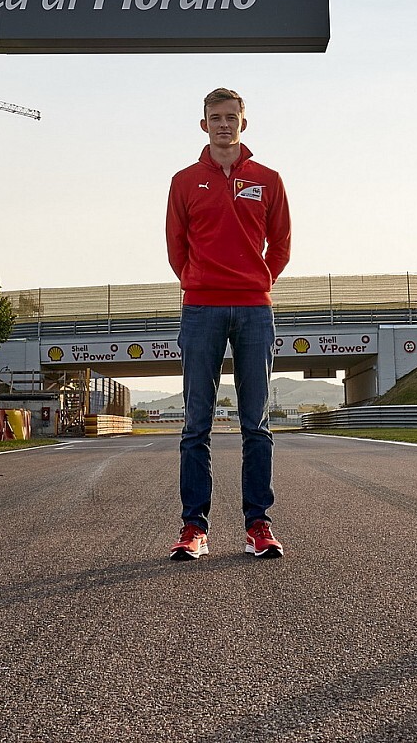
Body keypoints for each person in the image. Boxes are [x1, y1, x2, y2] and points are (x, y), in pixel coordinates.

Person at [165, 87, 291, 560]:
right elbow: (177, 247)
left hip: (255, 310)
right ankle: (193, 528)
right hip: (201, 309)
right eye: (215, 117)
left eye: (231, 117)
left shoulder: (269, 179)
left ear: (244, 122)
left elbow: (279, 244)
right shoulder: (183, 181)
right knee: (196, 424)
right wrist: (200, 284)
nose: (223, 124)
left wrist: (257, 282)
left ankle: (258, 524)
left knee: (255, 423)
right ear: (204, 125)